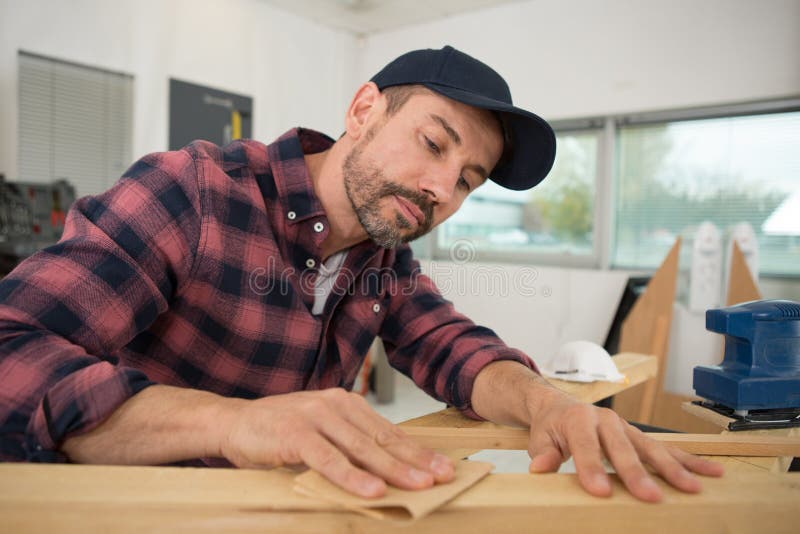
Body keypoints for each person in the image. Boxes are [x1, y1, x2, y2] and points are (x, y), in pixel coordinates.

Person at [0, 45, 722, 502]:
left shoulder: (384, 261)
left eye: (468, 179)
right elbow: (10, 353)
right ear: (364, 109)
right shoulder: (191, 193)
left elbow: (457, 348)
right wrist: (233, 424)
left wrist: (550, 406)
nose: (444, 188)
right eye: (433, 144)